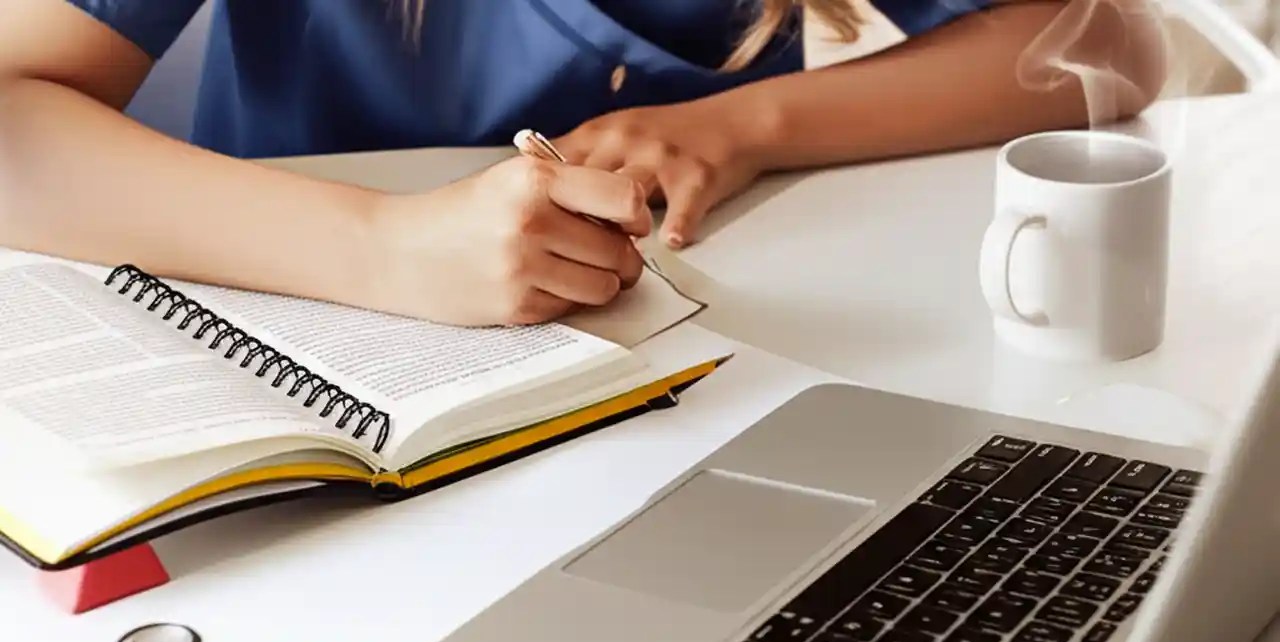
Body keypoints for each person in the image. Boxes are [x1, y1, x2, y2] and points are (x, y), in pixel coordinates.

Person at [0, 0, 1166, 327]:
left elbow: (1107, 42)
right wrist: (386, 247)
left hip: (663, 368)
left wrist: (742, 125)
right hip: (280, 332)